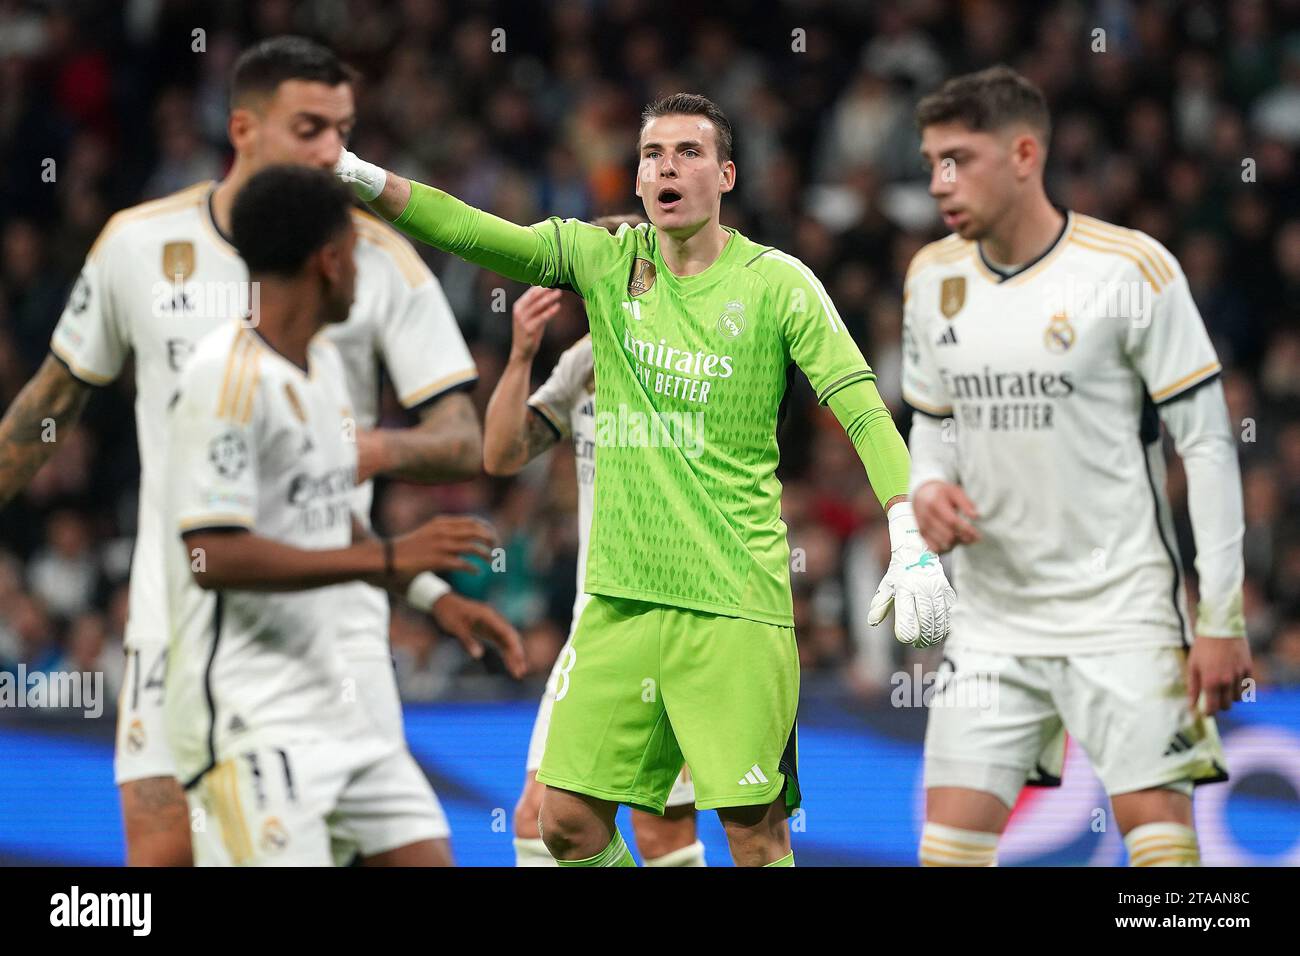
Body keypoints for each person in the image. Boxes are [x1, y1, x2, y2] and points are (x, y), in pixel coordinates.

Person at [335, 92, 955, 866]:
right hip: (620, 606)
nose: (666, 166)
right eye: (652, 154)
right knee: (563, 824)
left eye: (688, 152)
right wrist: (358, 174)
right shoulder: (604, 262)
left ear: (726, 174)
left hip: (731, 607)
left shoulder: (779, 284)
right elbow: (472, 230)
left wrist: (908, 531)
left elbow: (861, 409)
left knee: (753, 837)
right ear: (635, 181)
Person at [0, 35, 515, 865]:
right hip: (181, 628)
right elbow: (48, 407)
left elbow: (462, 436)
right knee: (161, 866)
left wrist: (362, 473)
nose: (333, 153)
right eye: (310, 128)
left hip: (334, 632)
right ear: (243, 128)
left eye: (344, 130)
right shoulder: (138, 245)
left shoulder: (374, 257)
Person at [902, 66, 1250, 867]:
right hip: (991, 620)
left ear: (1026, 154)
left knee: (1165, 869)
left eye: (958, 159)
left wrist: (1221, 617)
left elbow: (1206, 444)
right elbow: (932, 422)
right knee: (945, 858)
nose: (937, 183)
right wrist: (925, 486)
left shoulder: (1131, 272)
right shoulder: (931, 278)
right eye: (929, 163)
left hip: (1120, 611)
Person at [164, 164, 518, 866]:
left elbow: (326, 512)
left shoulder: (321, 369)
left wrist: (431, 595)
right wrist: (390, 559)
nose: (364, 272)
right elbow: (212, 556)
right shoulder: (223, 378)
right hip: (254, 724)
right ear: (328, 262)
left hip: (347, 714)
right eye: (356, 252)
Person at [485, 216, 704, 868]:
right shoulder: (585, 359)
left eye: (637, 263)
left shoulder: (695, 355)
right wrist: (521, 355)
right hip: (599, 614)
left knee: (654, 829)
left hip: (673, 613)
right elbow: (500, 455)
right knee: (543, 818)